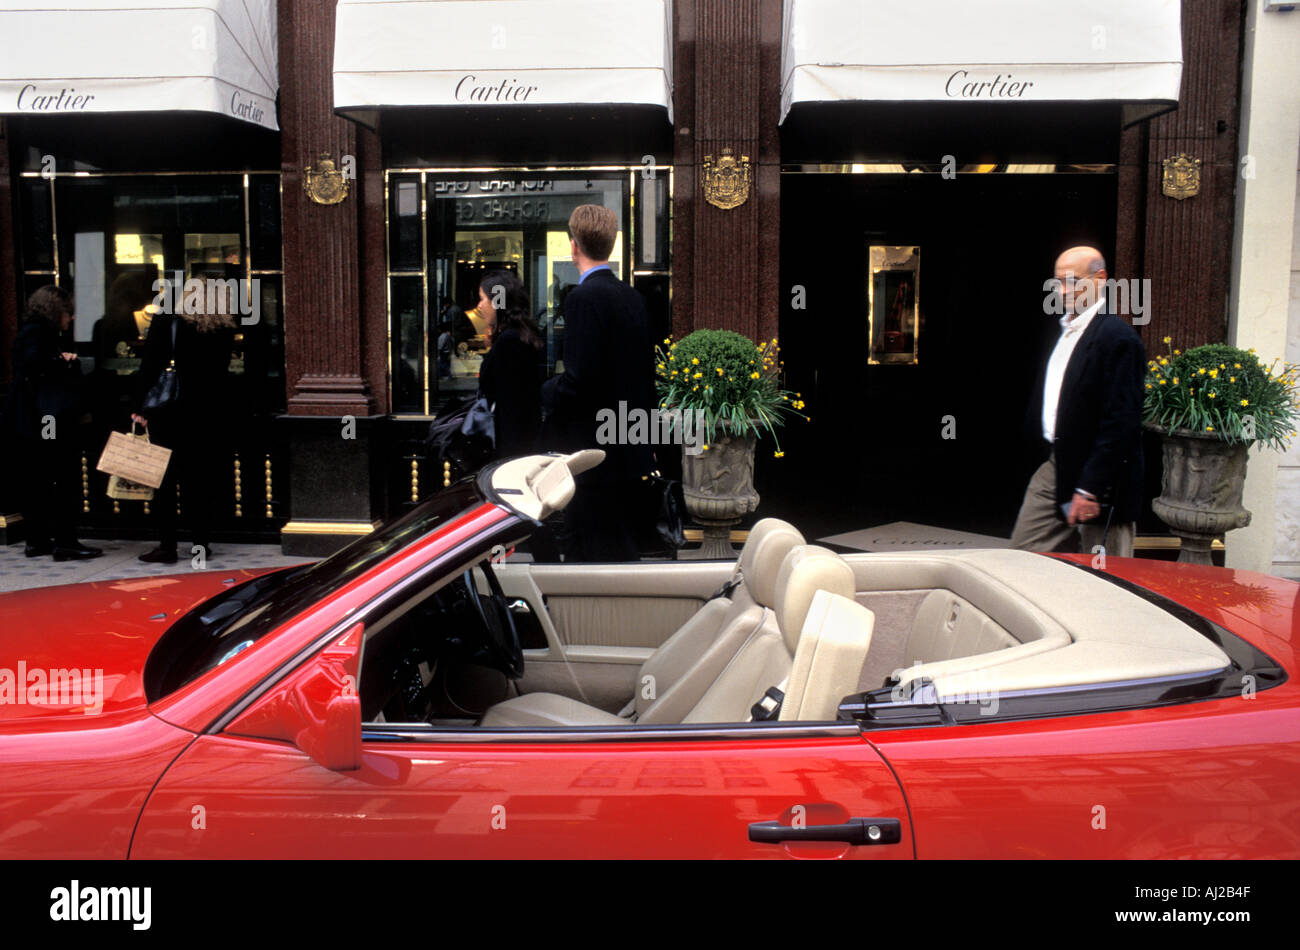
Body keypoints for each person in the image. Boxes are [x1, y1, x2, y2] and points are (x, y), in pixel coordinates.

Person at [1010, 245, 1144, 557]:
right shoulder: (1063, 331)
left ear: (1100, 279)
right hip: (1058, 463)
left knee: (1106, 576)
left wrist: (1090, 487)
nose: (1064, 290)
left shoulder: (1118, 339)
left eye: (1073, 281)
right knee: (1021, 556)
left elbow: (1122, 423)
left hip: (1103, 478)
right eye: (1058, 282)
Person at [543, 204, 655, 561]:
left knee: (590, 552)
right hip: (629, 444)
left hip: (593, 454)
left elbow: (580, 380)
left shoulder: (581, 299)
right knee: (622, 550)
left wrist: (545, 390)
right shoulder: (633, 297)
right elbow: (643, 377)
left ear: (573, 245)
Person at [131, 296, 236, 564]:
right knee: (199, 480)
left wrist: (139, 407)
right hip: (205, 413)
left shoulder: (167, 320)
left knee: (164, 480)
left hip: (169, 411)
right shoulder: (221, 327)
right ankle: (200, 543)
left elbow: (150, 364)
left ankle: (167, 546)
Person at [6, 286, 102, 560]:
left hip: (32, 420)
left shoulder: (31, 331)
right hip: (47, 421)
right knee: (62, 478)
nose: (70, 319)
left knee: (40, 481)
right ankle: (65, 541)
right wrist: (65, 361)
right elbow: (38, 367)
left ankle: (38, 539)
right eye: (68, 313)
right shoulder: (39, 334)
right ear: (56, 311)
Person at [476, 271, 543, 459]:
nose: (479, 306)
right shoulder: (522, 335)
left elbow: (492, 389)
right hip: (522, 441)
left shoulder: (509, 341)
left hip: (511, 445)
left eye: (482, 299)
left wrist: (492, 350)